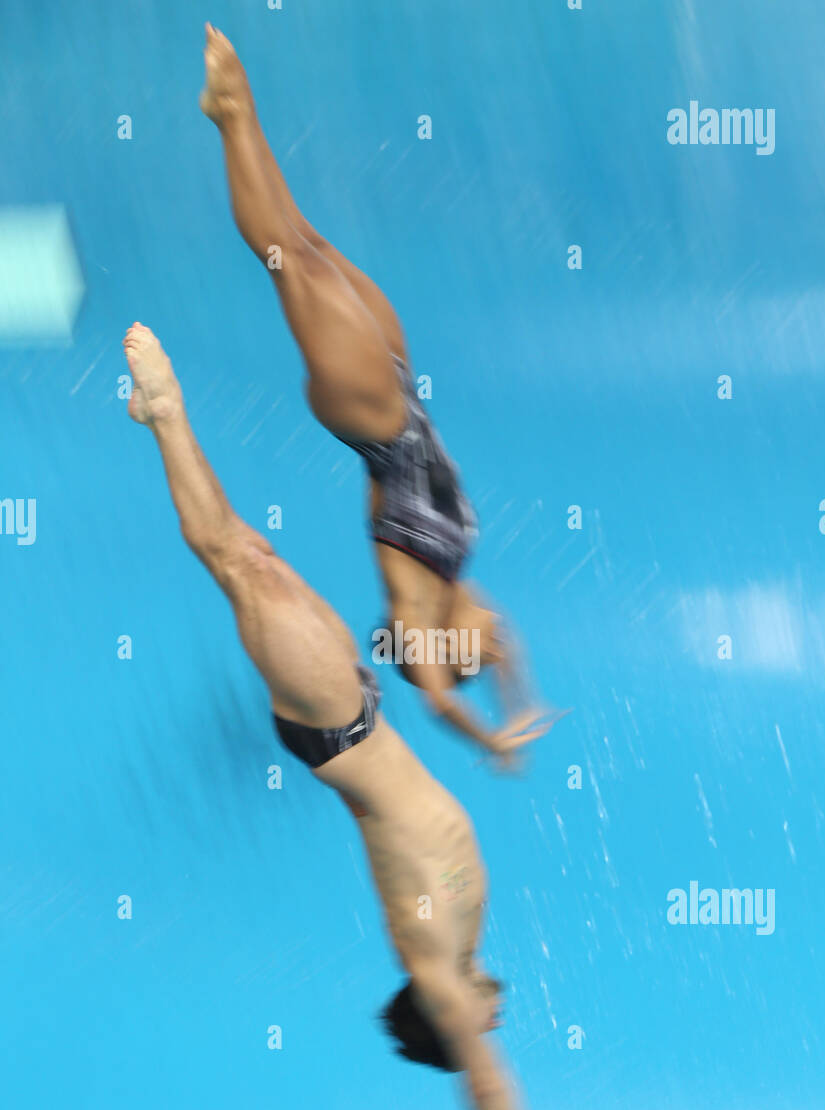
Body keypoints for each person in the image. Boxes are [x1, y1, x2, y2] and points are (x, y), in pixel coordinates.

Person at [122, 320, 546, 1110]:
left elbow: (484, 1080)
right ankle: (162, 416)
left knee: (236, 559)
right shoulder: (456, 940)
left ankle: (162, 414)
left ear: (446, 1020)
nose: (493, 1027)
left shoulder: (433, 960)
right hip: (351, 714)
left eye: (473, 1032)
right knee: (253, 559)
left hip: (337, 724)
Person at [199, 24, 560, 765]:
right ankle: (242, 109)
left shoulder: (422, 611)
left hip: (367, 414)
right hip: (397, 384)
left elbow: (434, 697)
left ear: (450, 646)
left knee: (289, 266)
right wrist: (520, 703)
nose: (497, 635)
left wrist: (490, 738)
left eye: (482, 648)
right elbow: (506, 651)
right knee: (308, 242)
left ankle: (229, 111)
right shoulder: (467, 592)